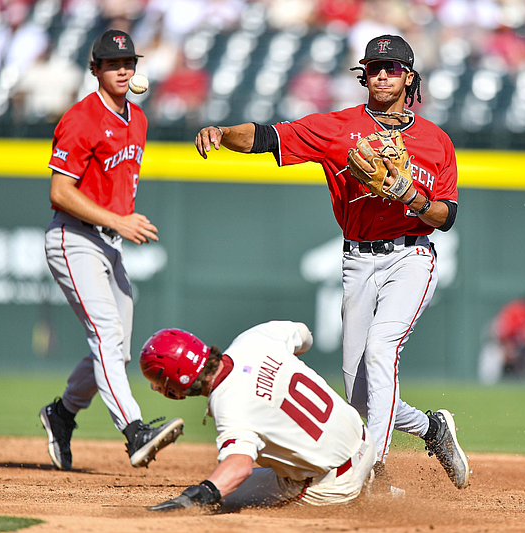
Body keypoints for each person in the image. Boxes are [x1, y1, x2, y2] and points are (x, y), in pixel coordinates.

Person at [195, 34, 469, 489]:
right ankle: (432, 428)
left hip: (411, 255)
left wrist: (407, 193)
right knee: (359, 392)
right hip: (357, 259)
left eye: (392, 68)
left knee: (383, 351)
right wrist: (223, 135)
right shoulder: (338, 128)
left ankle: (373, 469)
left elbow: (445, 216)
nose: (382, 76)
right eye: (374, 68)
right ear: (364, 74)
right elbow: (267, 137)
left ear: (409, 77)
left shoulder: (435, 141)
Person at [39, 29, 183, 472]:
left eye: (128, 63)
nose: (122, 69)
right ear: (95, 69)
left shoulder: (136, 119)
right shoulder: (81, 118)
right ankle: (134, 430)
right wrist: (118, 219)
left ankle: (62, 414)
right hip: (74, 237)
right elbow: (61, 191)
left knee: (116, 347)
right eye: (112, 63)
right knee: (105, 333)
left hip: (108, 242)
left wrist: (117, 224)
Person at [139, 320, 377, 511]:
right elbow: (304, 334)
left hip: (332, 484)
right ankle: (380, 488)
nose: (155, 387)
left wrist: (197, 496)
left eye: (156, 379)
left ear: (175, 382)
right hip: (364, 442)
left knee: (223, 499)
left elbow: (239, 466)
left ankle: (358, 497)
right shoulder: (254, 339)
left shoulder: (229, 404)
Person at [478, 296, 525, 386]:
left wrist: (522, 345)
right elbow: (497, 334)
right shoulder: (515, 311)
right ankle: (487, 387)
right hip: (504, 345)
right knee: (491, 353)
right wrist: (507, 348)